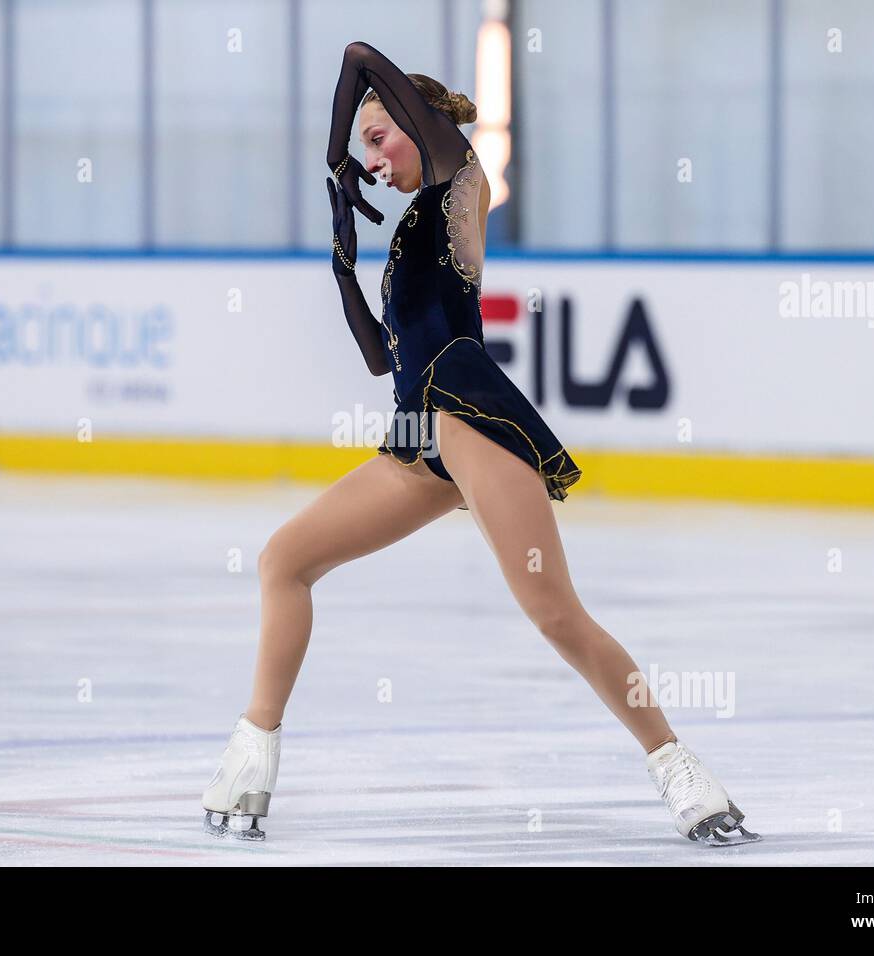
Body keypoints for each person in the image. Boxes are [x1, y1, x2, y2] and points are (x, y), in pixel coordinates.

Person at [202, 41, 759, 847]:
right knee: (284, 560)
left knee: (554, 612)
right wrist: (341, 263)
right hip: (417, 433)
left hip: (467, 411)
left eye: (377, 138)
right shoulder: (406, 238)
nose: (369, 159)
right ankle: (250, 762)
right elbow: (375, 356)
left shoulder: (458, 180)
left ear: (415, 127)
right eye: (360, 148)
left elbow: (359, 55)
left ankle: (685, 775)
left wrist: (330, 161)